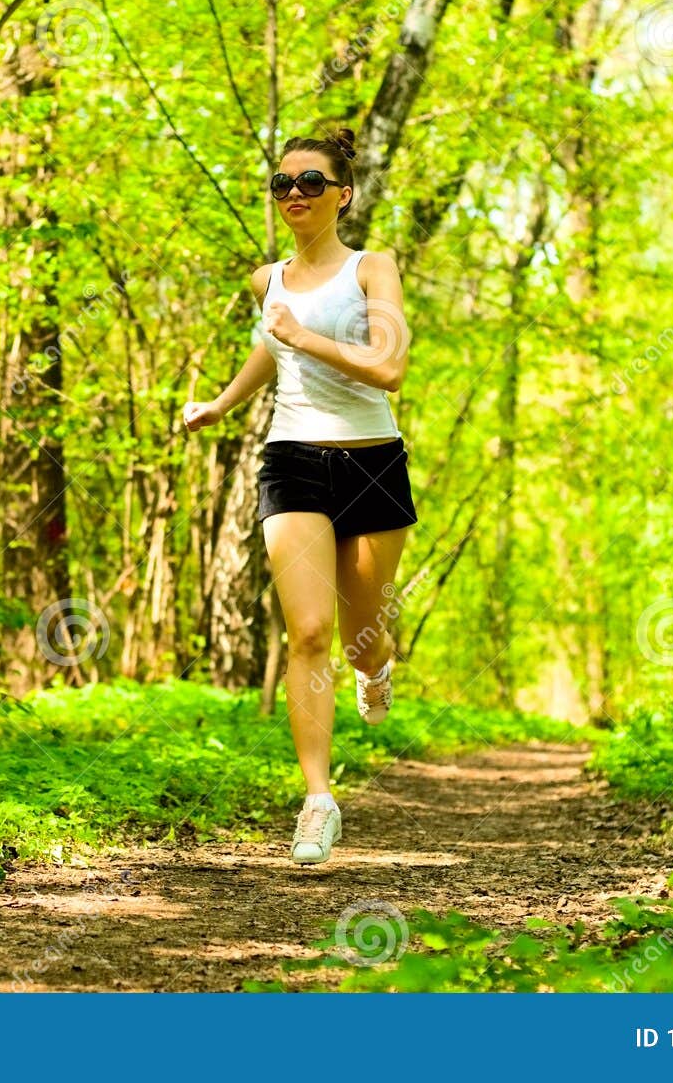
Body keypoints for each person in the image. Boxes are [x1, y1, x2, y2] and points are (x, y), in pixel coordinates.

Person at [182, 126, 417, 865]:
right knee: (309, 630)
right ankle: (317, 800)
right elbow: (269, 344)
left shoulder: (373, 268)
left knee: (358, 633)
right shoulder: (268, 281)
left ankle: (373, 668)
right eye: (281, 184)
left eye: (309, 182)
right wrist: (220, 405)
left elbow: (389, 367)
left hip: (374, 462)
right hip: (291, 460)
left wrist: (305, 337)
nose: (293, 195)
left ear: (341, 194)